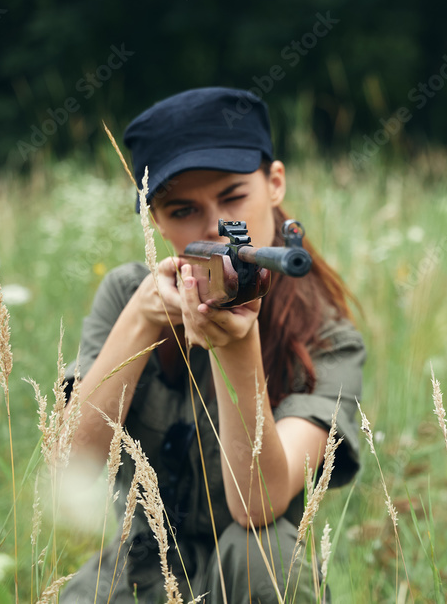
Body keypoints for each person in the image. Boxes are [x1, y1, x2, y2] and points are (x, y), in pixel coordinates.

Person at [59, 87, 365, 603]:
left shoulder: (327, 336)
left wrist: (235, 350)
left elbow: (256, 507)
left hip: (247, 579)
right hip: (134, 571)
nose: (213, 228)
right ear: (154, 219)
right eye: (182, 209)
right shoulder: (126, 294)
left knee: (260, 551)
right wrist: (143, 317)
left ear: (274, 183)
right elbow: (73, 468)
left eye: (231, 197)